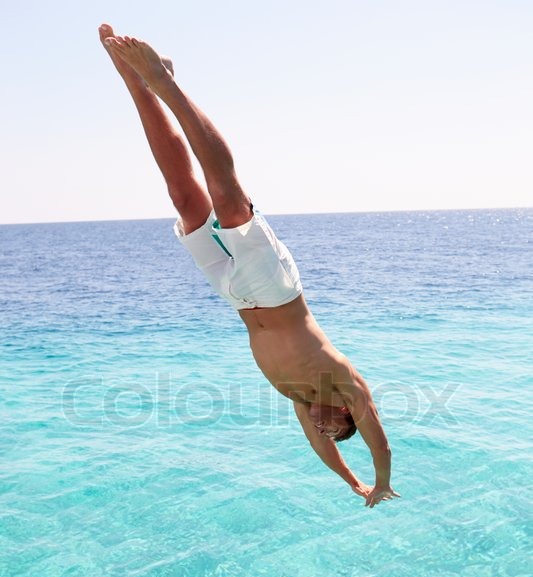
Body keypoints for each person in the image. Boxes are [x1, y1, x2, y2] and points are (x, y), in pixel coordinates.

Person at [98, 24, 400, 508]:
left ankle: (138, 88)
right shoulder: (345, 382)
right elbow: (378, 441)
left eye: (330, 430)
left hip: (234, 294)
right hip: (276, 289)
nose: (328, 428)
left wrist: (351, 483)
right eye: (340, 426)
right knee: (226, 194)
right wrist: (380, 479)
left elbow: (319, 447)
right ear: (349, 411)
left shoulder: (301, 402)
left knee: (183, 196)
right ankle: (165, 82)